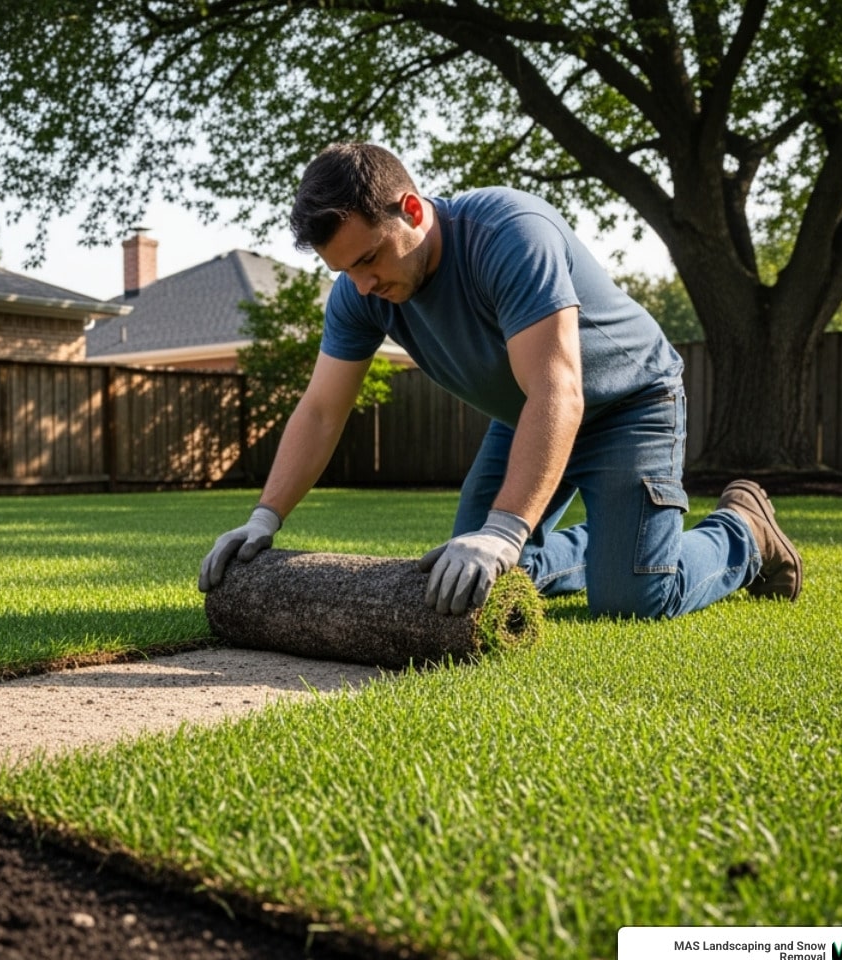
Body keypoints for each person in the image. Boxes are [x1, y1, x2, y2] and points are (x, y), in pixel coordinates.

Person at [199, 142, 801, 619]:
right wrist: (265, 517)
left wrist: (506, 528)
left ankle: (743, 531)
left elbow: (559, 389)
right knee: (467, 582)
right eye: (344, 269)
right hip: (527, 419)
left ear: (411, 209)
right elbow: (321, 410)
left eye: (368, 259)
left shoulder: (511, 234)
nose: (362, 284)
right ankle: (617, 540)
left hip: (627, 404)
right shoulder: (358, 295)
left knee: (635, 601)